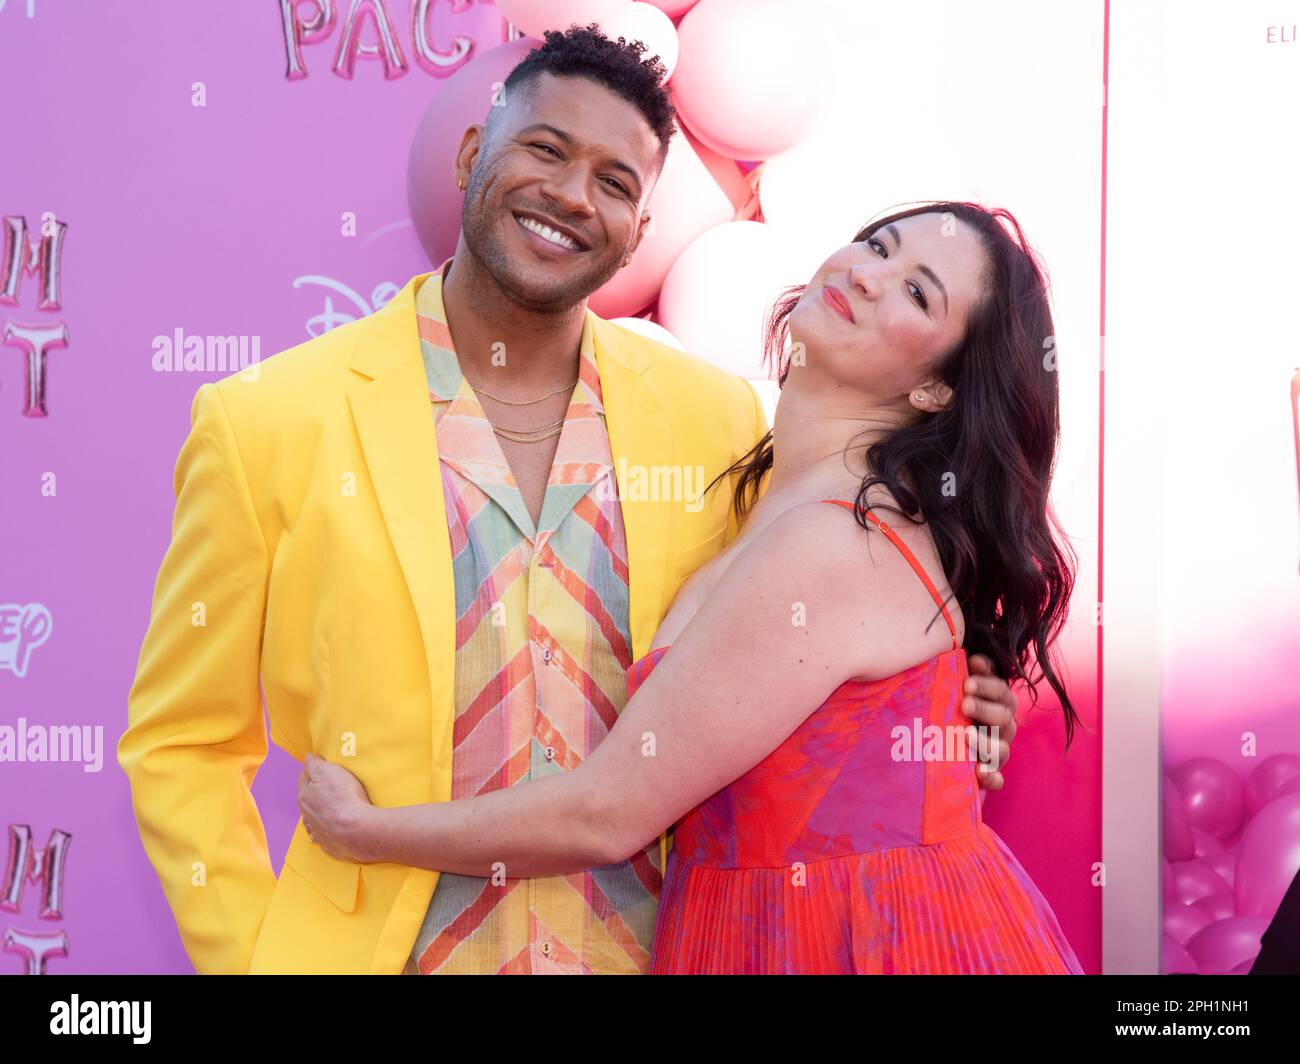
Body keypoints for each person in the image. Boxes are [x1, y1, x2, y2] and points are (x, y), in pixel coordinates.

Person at [119, 25, 1020, 976]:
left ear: (639, 232)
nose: (570, 196)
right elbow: (183, 744)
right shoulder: (268, 421)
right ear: (474, 156)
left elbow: (799, 661)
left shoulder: (713, 423)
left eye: (617, 183)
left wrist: (954, 708)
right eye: (545, 150)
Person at [298, 196, 1084, 974]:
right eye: (878, 245)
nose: (873, 275)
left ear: (936, 390)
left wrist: (367, 832)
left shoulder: (840, 541)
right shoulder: (760, 483)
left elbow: (608, 814)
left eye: (919, 292)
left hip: (854, 940)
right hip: (745, 929)